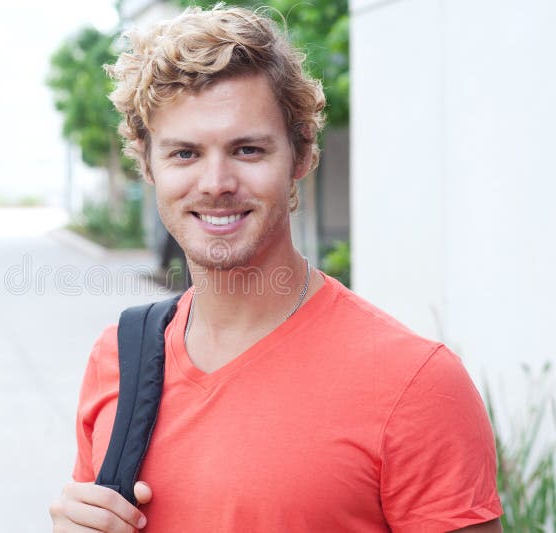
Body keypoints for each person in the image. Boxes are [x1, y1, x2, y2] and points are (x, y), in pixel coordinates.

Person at [50, 6, 502, 532]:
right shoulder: (119, 357)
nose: (216, 181)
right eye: (185, 154)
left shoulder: (416, 385)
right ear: (148, 165)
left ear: (301, 156)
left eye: (247, 149)